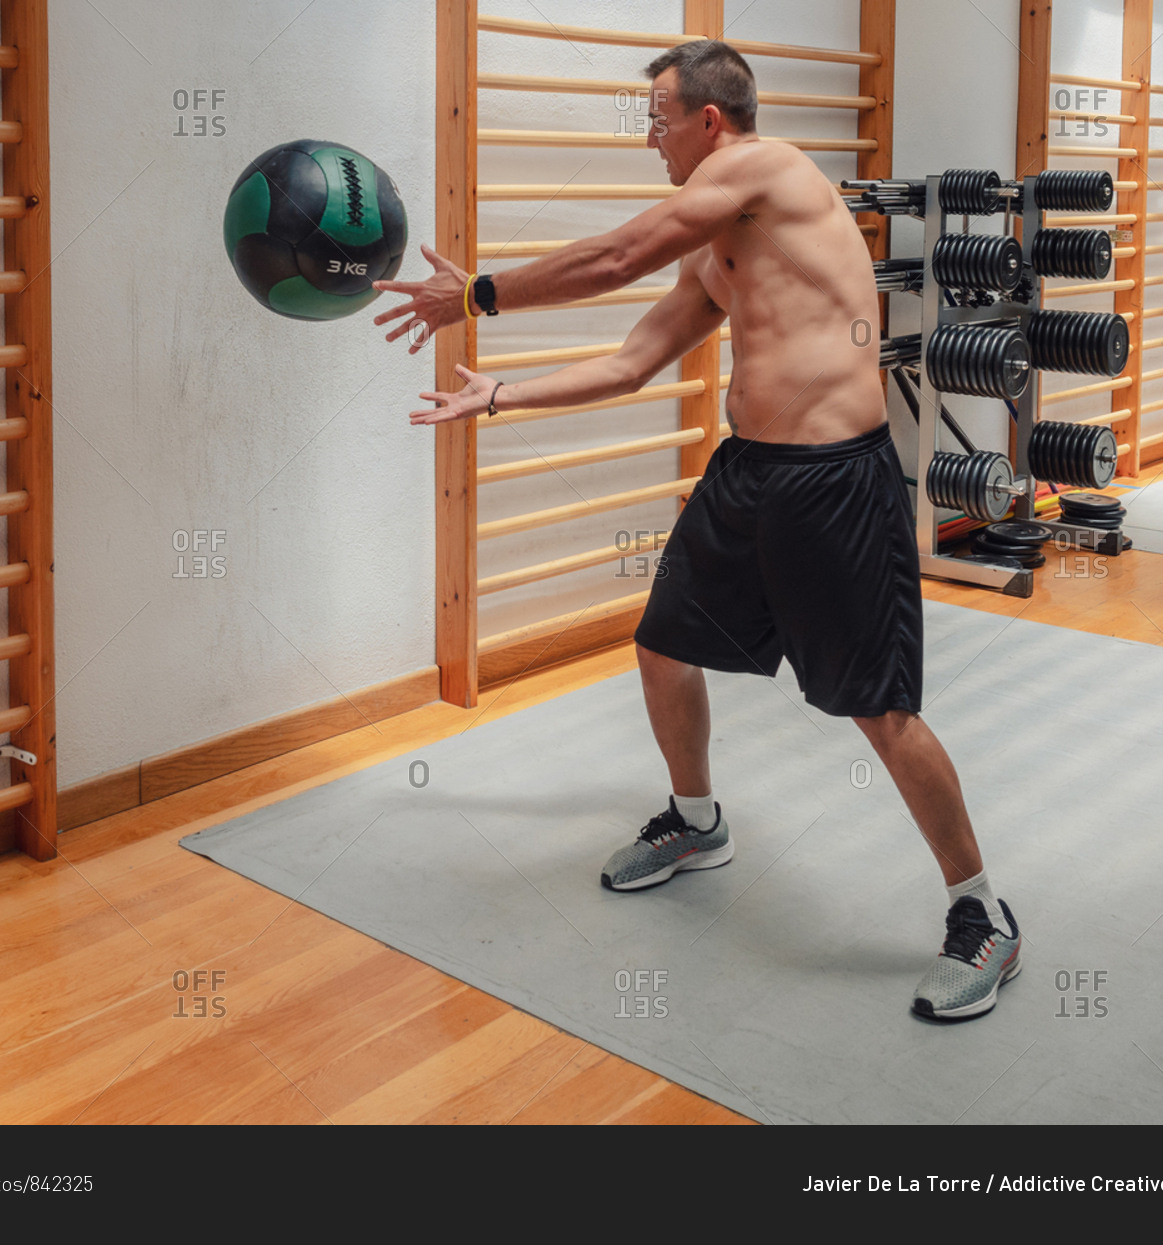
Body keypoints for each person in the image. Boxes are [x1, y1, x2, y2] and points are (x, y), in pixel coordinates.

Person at [372, 40, 1019, 1022]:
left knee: (877, 710)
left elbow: (619, 254)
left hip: (834, 485)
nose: (650, 140)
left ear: (711, 121)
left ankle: (982, 914)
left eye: (658, 120)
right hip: (746, 476)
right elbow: (635, 361)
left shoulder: (765, 170)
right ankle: (696, 821)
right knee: (665, 646)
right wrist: (502, 392)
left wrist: (476, 296)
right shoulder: (725, 250)